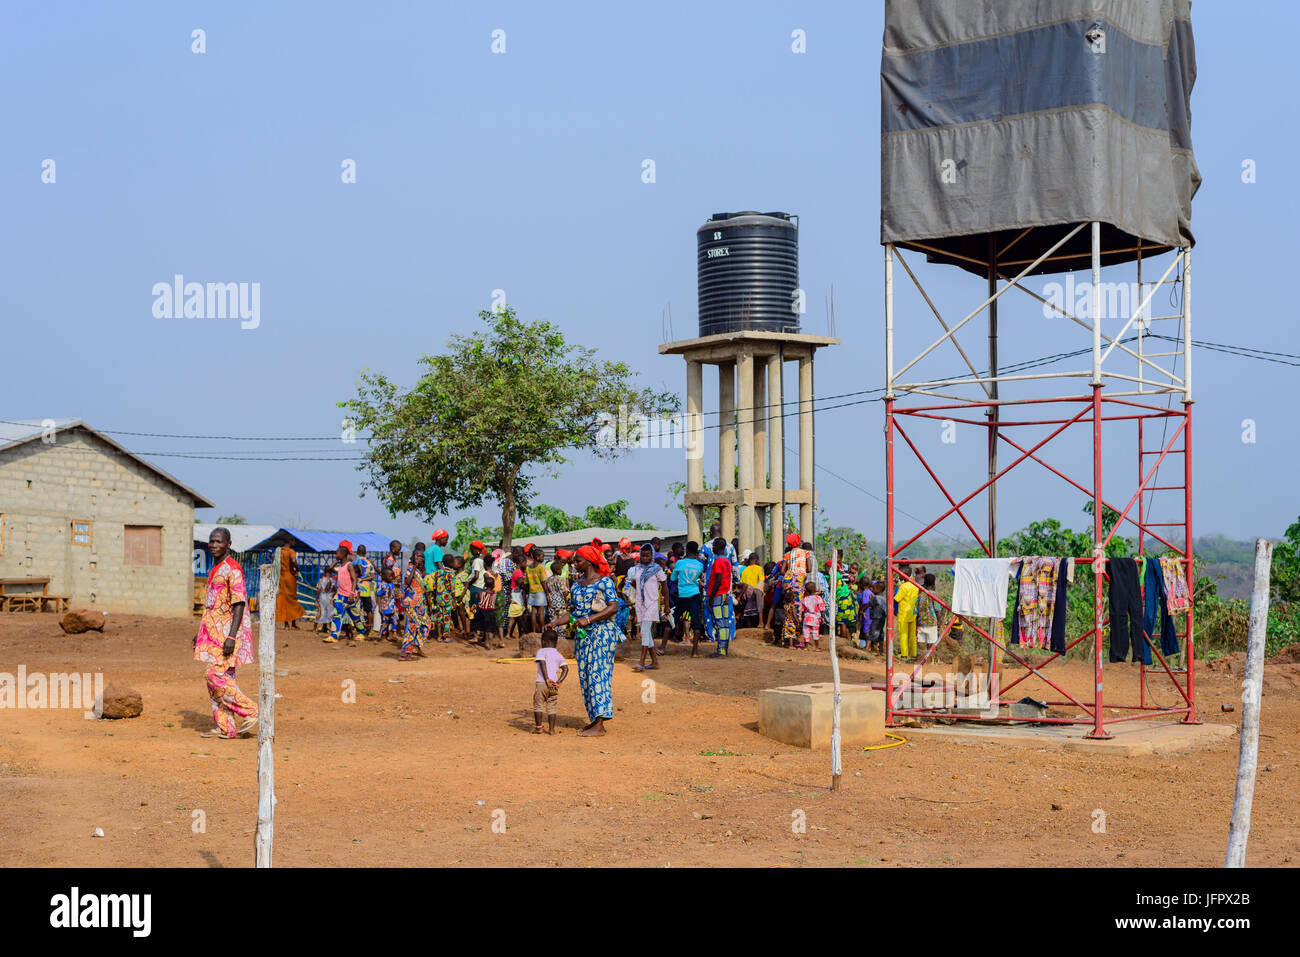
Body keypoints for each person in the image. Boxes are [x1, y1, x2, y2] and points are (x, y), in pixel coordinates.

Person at [194, 527, 257, 738]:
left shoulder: (233, 569)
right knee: (221, 678)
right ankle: (227, 727)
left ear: (228, 544)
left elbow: (239, 603)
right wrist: (201, 632)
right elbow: (213, 604)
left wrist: (231, 636)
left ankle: (251, 711)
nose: (213, 545)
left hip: (227, 635)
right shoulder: (216, 568)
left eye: (218, 542)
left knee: (214, 675)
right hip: (212, 633)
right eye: (211, 541)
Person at [560, 544, 621, 737]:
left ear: (589, 562)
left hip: (602, 634)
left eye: (578, 560)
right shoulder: (577, 584)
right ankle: (595, 720)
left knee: (598, 674)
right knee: (586, 677)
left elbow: (613, 607)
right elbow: (573, 612)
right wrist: (555, 622)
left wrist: (587, 620)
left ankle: (600, 724)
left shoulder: (604, 582)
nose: (575, 564)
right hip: (583, 637)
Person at [626, 544, 667, 671]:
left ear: (652, 555)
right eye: (642, 555)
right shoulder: (637, 568)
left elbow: (665, 587)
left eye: (647, 555)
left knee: (644, 631)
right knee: (647, 632)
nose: (644, 558)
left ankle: (641, 662)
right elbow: (635, 583)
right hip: (640, 603)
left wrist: (667, 606)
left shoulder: (657, 569)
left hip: (652, 603)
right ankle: (654, 661)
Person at [670, 541, 706, 654]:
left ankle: (662, 646)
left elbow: (672, 579)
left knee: (673, 619)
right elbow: (699, 579)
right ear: (696, 551)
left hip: (682, 595)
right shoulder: (700, 565)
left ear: (687, 550)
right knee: (695, 623)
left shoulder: (680, 563)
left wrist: (681, 582)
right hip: (695, 595)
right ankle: (694, 651)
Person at [533, 627, 569, 734]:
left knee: (538, 705)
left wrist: (546, 678)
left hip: (542, 683)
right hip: (554, 685)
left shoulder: (542, 651)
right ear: (556, 643)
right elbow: (566, 669)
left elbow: (542, 663)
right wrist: (559, 681)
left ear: (544, 642)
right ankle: (552, 730)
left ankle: (539, 728)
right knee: (552, 707)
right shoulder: (558, 654)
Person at [327, 540, 365, 642]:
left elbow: (354, 579)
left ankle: (362, 633)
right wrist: (337, 560)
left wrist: (352, 594)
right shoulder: (340, 566)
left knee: (355, 617)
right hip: (340, 595)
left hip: (349, 596)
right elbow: (330, 569)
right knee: (337, 615)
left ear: (343, 554)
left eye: (337, 553)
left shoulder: (349, 565)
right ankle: (334, 636)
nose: (336, 554)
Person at [779, 534, 811, 649]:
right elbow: (810, 569)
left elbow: (782, 571)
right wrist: (800, 572)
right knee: (797, 612)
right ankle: (796, 639)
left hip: (788, 583)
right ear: (799, 542)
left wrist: (791, 573)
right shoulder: (805, 553)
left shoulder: (787, 554)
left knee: (788, 611)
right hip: (798, 583)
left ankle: (787, 640)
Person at [705, 537, 735, 658]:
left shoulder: (718, 562)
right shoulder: (727, 561)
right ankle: (724, 649)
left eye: (714, 545)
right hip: (726, 594)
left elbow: (717, 580)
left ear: (718, 547)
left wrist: (711, 596)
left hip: (718, 595)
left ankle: (721, 650)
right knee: (725, 622)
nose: (712, 547)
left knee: (719, 622)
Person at [400, 558, 429, 659]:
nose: (420, 558)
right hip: (411, 604)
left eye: (422, 556)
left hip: (419, 604)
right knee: (411, 628)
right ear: (413, 557)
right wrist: (415, 566)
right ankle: (405, 654)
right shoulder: (410, 569)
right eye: (417, 555)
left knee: (426, 623)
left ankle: (416, 646)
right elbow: (407, 582)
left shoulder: (419, 571)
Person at [894, 563, 919, 660]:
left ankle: (904, 654)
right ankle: (913, 654)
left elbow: (897, 599)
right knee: (912, 635)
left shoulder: (903, 587)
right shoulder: (915, 586)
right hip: (912, 613)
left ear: (903, 575)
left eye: (900, 574)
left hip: (903, 614)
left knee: (903, 634)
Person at [275, 545, 304, 629]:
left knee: (284, 601)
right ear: (291, 542)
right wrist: (297, 570)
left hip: (281, 577)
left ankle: (286, 625)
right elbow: (293, 560)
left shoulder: (278, 552)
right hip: (290, 577)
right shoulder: (291, 551)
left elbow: (275, 563)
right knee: (292, 600)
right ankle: (293, 624)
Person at [354, 544, 377, 636]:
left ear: (357, 552)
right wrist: (364, 579)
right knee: (368, 609)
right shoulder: (369, 563)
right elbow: (372, 576)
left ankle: (356, 629)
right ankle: (369, 628)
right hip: (366, 588)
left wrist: (360, 579)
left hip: (356, 588)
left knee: (355, 608)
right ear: (365, 552)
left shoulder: (355, 561)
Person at [916, 571, 940, 656]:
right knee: (932, 642)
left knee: (921, 642)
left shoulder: (920, 595)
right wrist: (939, 622)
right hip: (932, 622)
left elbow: (916, 609)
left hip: (921, 622)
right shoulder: (934, 595)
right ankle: (930, 658)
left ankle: (921, 657)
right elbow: (937, 609)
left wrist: (917, 621)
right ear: (934, 583)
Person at [524, 545, 547, 633]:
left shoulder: (528, 568)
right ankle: (542, 631)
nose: (543, 558)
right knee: (541, 612)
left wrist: (527, 592)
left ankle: (533, 631)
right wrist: (547, 593)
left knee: (533, 612)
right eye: (542, 556)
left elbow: (526, 583)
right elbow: (543, 581)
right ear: (537, 557)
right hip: (540, 591)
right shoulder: (540, 567)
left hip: (532, 591)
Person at [801, 579, 827, 651]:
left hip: (807, 617)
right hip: (815, 618)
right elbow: (822, 609)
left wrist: (802, 618)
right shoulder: (818, 598)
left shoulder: (805, 598)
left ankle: (806, 647)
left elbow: (802, 610)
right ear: (814, 589)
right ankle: (817, 647)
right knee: (815, 632)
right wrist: (823, 618)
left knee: (806, 631)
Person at [376, 567, 399, 640]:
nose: (392, 577)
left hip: (392, 606)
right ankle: (383, 636)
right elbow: (378, 596)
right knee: (385, 621)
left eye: (392, 576)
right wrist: (379, 606)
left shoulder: (392, 584)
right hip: (385, 607)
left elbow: (393, 593)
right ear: (383, 576)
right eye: (390, 576)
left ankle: (392, 634)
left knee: (395, 619)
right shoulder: (382, 585)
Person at [543, 559, 568, 624]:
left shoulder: (548, 579)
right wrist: (566, 601)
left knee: (553, 619)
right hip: (560, 601)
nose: (561, 571)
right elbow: (564, 591)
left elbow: (547, 591)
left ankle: (553, 632)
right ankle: (561, 633)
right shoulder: (560, 579)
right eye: (560, 569)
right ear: (557, 570)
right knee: (561, 619)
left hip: (551, 602)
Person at [314, 566, 336, 634]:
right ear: (331, 572)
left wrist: (316, 599)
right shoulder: (333, 581)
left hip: (322, 598)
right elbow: (335, 590)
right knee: (330, 613)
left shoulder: (321, 580)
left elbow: (318, 590)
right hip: (329, 598)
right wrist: (333, 595)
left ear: (324, 572)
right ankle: (331, 629)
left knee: (320, 612)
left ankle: (315, 628)